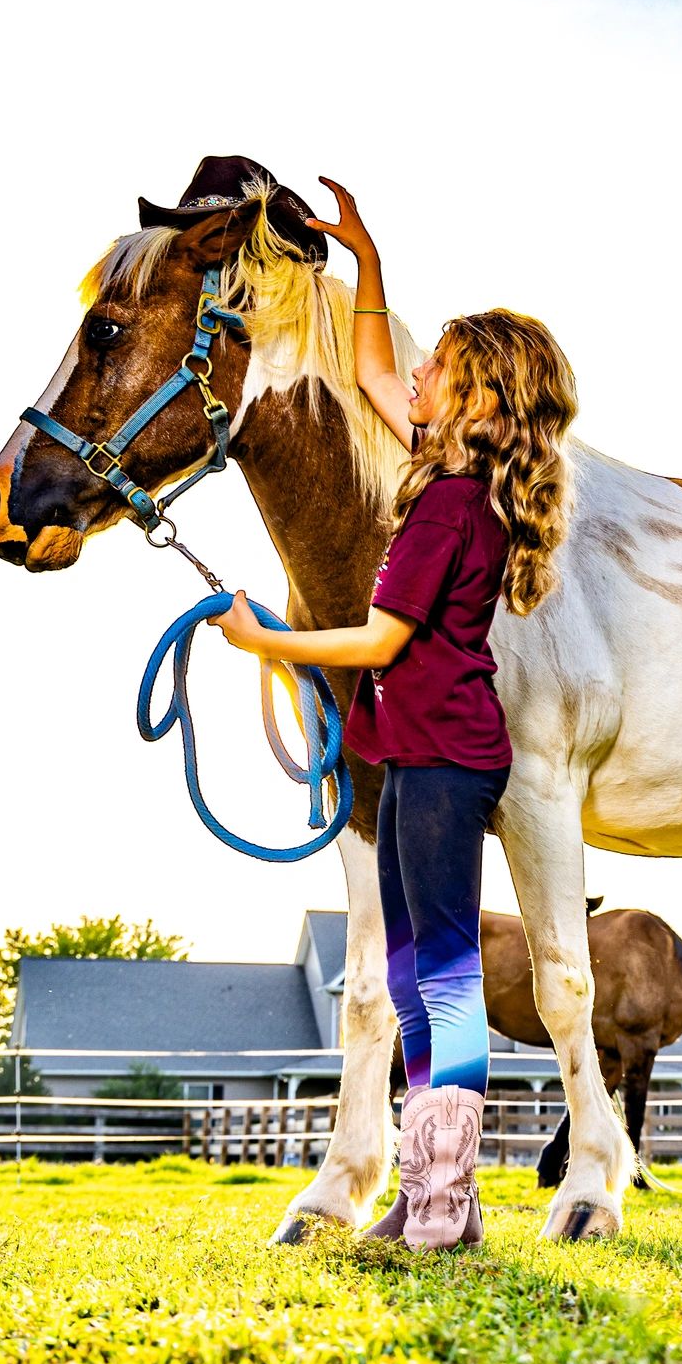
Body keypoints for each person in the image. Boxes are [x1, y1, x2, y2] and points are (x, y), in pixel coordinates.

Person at [215, 177, 580, 1250]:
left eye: (438, 368)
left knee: (446, 981)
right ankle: (430, 1193)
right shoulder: (446, 472)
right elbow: (373, 368)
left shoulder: (444, 508)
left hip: (442, 763)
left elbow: (378, 643)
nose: (411, 373)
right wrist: (364, 259)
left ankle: (445, 1203)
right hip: (420, 752)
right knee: (422, 980)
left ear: (473, 402)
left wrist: (262, 639)